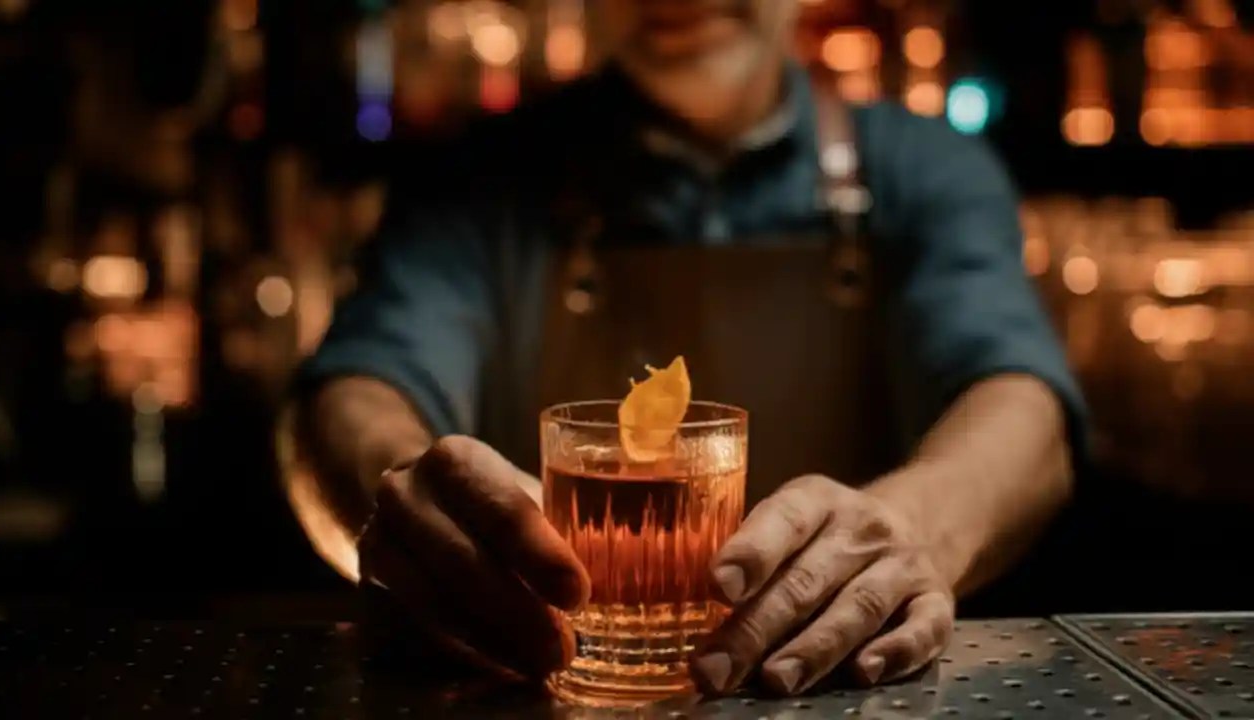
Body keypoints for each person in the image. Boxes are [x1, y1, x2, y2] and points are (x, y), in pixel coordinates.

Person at [281, 0, 1087, 698]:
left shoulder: (927, 169)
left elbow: (1024, 412)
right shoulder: (476, 180)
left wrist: (917, 529)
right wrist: (398, 495)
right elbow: (354, 391)